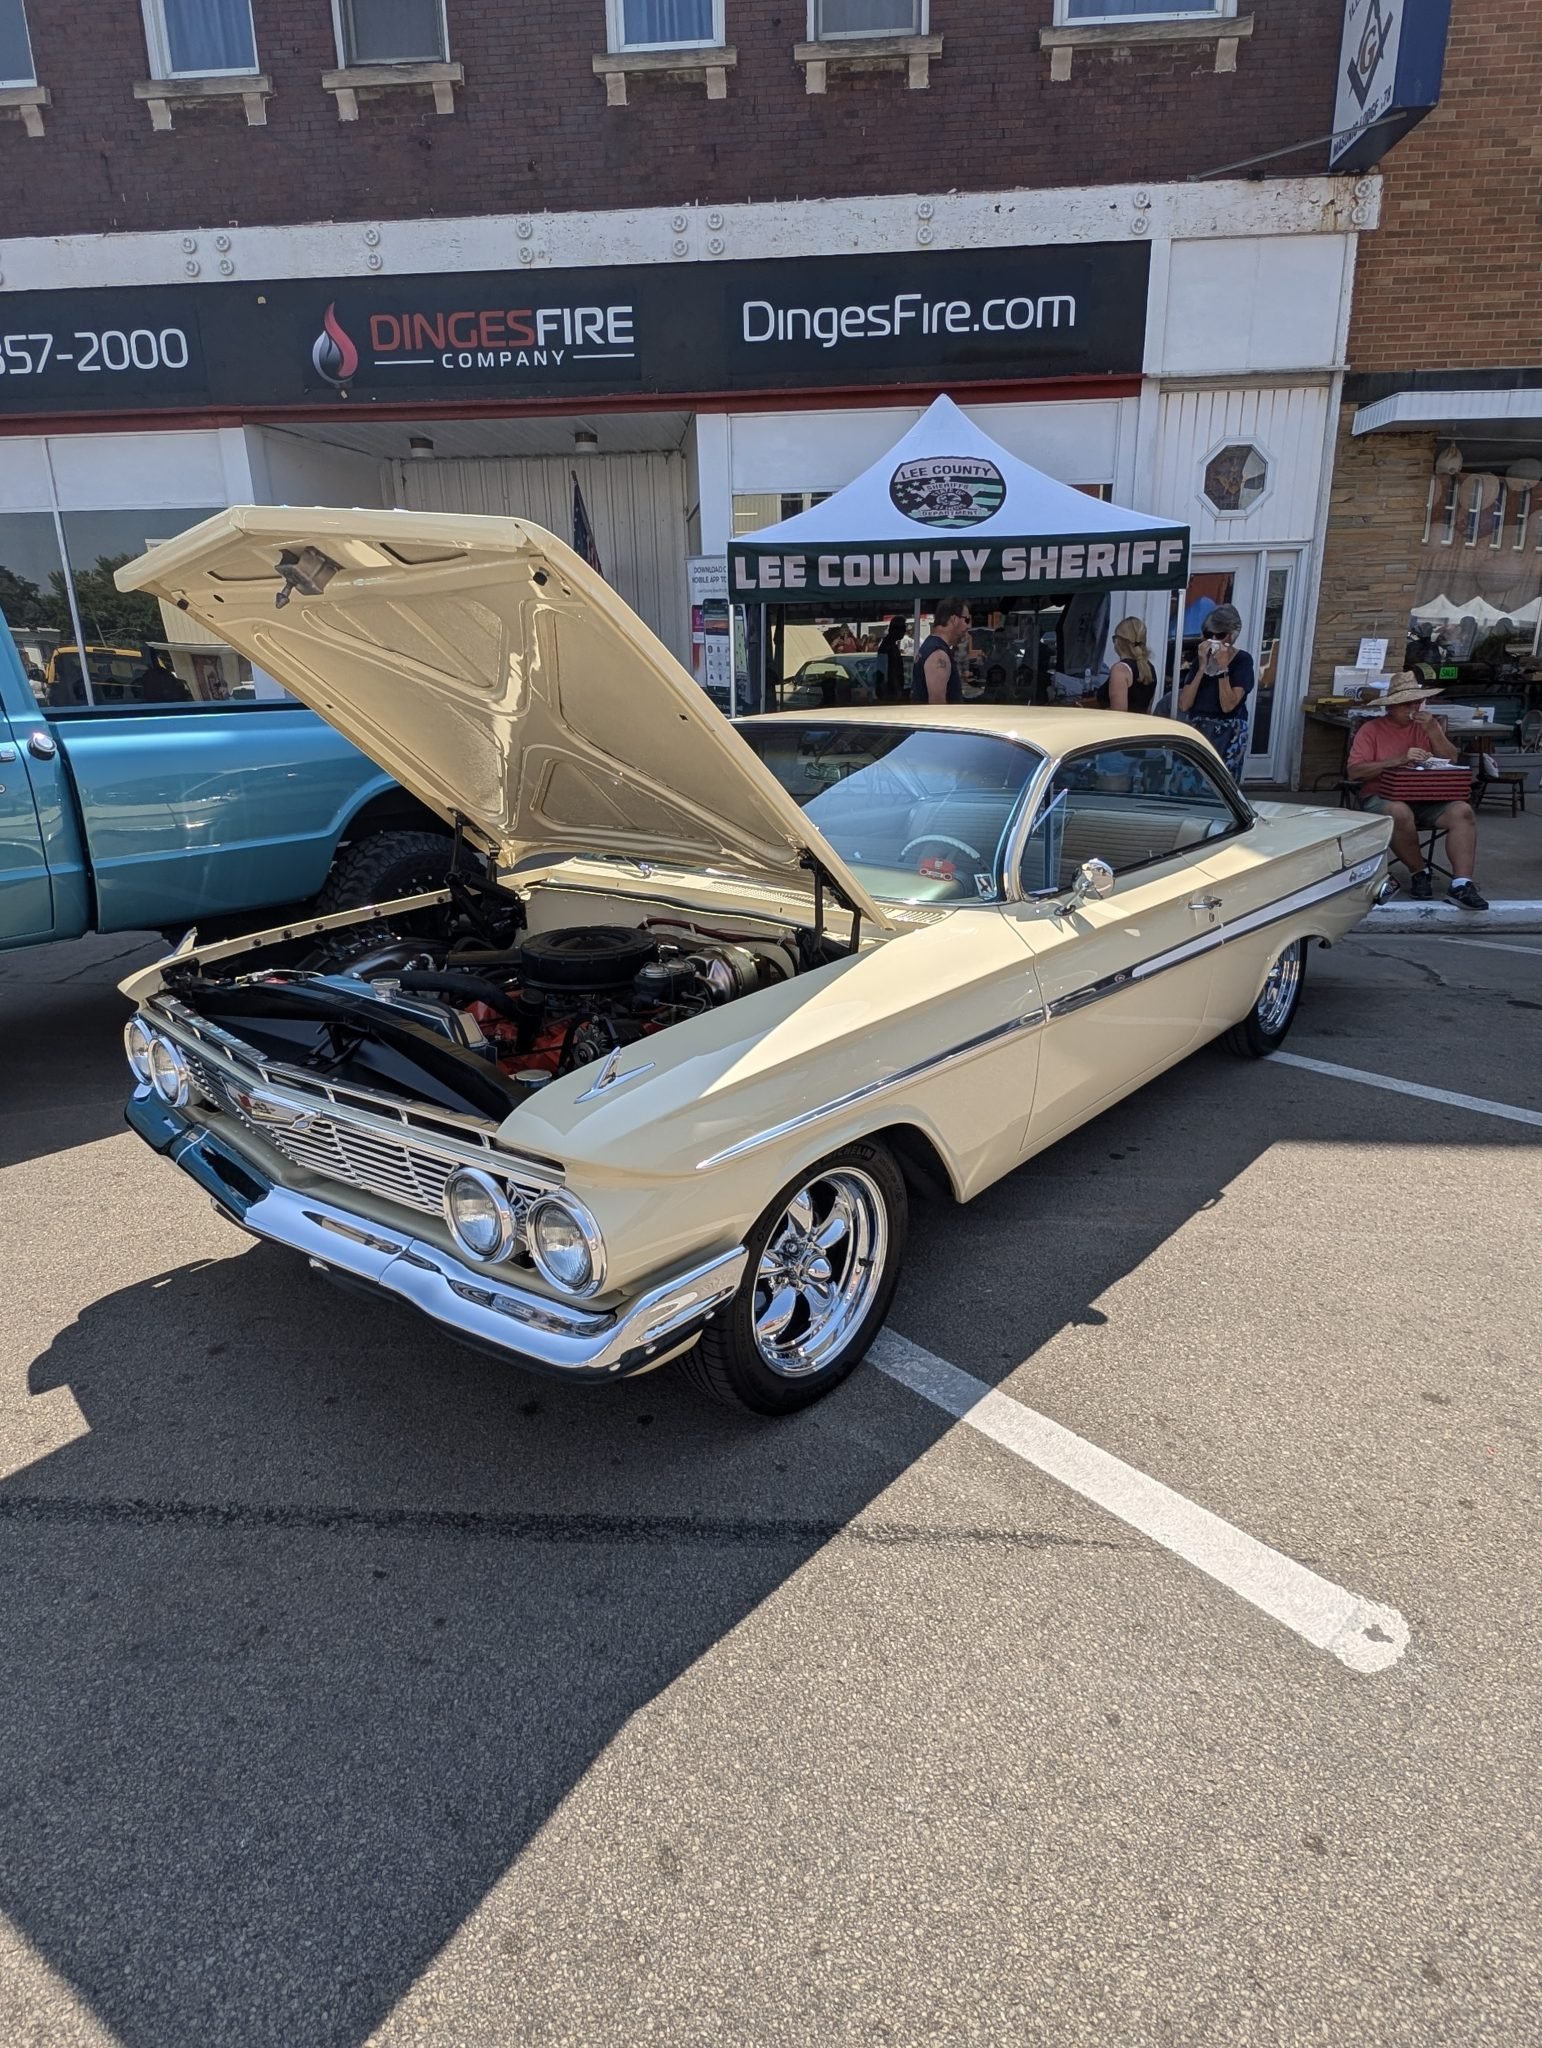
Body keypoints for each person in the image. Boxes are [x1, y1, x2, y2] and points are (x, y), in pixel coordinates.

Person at [1346, 673, 1487, 909]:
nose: (1413, 708)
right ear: (1390, 706)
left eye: (1417, 702)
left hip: (1425, 794)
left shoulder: (1426, 727)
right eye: (1406, 704)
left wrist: (1433, 730)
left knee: (1462, 811)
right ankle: (1419, 871)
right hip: (1382, 795)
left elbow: (1452, 759)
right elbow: (1354, 772)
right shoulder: (1371, 730)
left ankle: (1462, 884)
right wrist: (1397, 760)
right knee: (1399, 811)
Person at [1178, 602, 1253, 779]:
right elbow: (1184, 704)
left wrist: (1222, 669)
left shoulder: (1242, 661)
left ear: (1232, 635)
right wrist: (1202, 667)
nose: (1213, 639)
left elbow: (1228, 705)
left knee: (1220, 782)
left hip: (1228, 731)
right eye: (1208, 634)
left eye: (1219, 635)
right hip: (1199, 728)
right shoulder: (1200, 660)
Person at [910, 600, 972, 705]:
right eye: (966, 620)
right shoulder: (938, 654)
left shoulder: (932, 646)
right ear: (954, 619)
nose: (968, 626)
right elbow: (937, 704)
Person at [1098, 615, 1158, 713]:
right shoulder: (1150, 669)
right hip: (1141, 722)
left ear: (1118, 641)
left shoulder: (1120, 670)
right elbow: (1148, 710)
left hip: (1119, 723)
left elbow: (1118, 715)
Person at [877, 613, 908, 701]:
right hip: (891, 692)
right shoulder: (889, 646)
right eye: (903, 628)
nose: (905, 631)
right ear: (896, 629)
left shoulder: (889, 644)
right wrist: (897, 691)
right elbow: (891, 671)